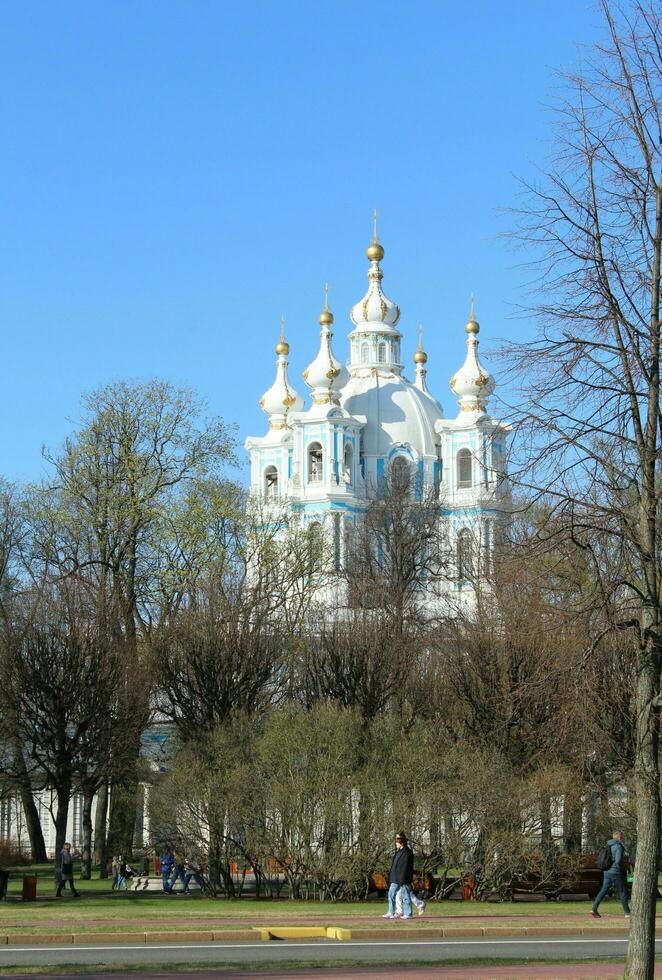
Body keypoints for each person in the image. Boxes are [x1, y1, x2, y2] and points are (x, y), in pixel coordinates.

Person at [591, 830, 630, 918]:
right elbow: (618, 860)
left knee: (603, 890)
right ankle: (627, 912)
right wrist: (622, 868)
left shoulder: (608, 845)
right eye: (622, 836)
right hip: (616, 872)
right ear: (619, 837)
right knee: (623, 891)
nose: (623, 838)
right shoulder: (618, 847)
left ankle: (594, 908)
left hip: (606, 872)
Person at [383, 831, 414, 920]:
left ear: (401, 841)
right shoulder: (398, 852)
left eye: (397, 841)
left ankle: (408, 914)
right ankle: (391, 912)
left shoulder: (407, 853)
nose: (395, 843)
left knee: (406, 896)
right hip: (395, 878)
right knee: (391, 894)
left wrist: (403, 879)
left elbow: (405, 868)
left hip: (403, 879)